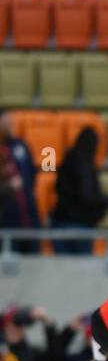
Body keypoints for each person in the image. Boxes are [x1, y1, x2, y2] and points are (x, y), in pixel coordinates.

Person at [50, 127, 108, 255]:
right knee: (82, 271)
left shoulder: (66, 162)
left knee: (63, 270)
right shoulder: (85, 165)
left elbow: (58, 189)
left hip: (59, 222)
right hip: (80, 225)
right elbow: (87, 197)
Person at [0, 107, 39, 254]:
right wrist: (9, 188)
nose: (10, 124)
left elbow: (31, 173)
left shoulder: (21, 145)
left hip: (29, 219)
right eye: (5, 121)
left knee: (33, 268)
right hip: (6, 223)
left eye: (10, 121)